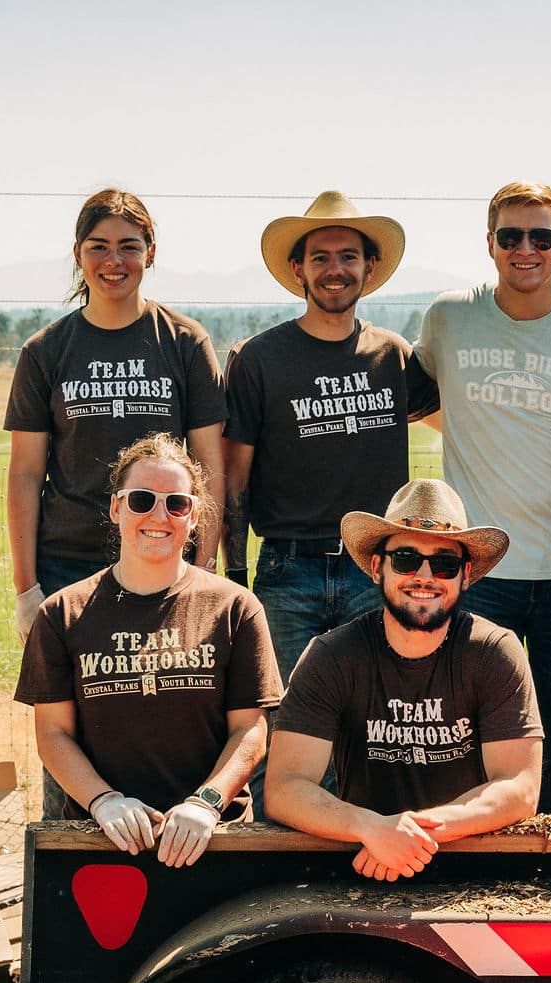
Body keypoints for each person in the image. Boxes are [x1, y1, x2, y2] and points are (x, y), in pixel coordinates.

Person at [411, 181, 551, 817]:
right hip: (478, 570)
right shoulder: (449, 318)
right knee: (466, 740)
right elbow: (410, 398)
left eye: (541, 236)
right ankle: (476, 867)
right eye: (511, 236)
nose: (525, 249)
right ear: (490, 243)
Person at [16, 434, 280, 868]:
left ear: (195, 515)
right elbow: (53, 735)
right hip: (104, 840)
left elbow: (250, 731)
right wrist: (103, 801)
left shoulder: (235, 608)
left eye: (176, 503)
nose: (159, 516)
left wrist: (206, 803)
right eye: (141, 500)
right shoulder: (62, 613)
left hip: (214, 838)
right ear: (116, 508)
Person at [266, 479, 541, 881]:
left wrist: (410, 835)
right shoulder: (331, 655)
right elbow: (284, 788)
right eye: (406, 559)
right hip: (363, 868)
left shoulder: (494, 651)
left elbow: (519, 787)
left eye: (444, 564)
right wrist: (371, 827)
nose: (425, 576)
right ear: (377, 567)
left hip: (472, 870)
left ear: (465, 575)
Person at [222, 190, 438, 680]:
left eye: (348, 257)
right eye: (320, 258)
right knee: (285, 712)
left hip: (375, 568)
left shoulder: (393, 356)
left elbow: (461, 420)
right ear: (298, 269)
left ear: (369, 266)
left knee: (374, 711)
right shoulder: (258, 359)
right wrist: (234, 575)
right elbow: (234, 477)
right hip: (287, 574)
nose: (334, 270)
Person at [6, 188, 227, 631]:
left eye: (129, 246)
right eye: (98, 247)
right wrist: (27, 590)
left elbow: (209, 467)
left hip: (164, 556)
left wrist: (203, 568)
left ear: (150, 253)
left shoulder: (185, 343)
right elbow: (26, 473)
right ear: (77, 254)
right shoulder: (45, 351)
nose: (114, 261)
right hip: (68, 564)